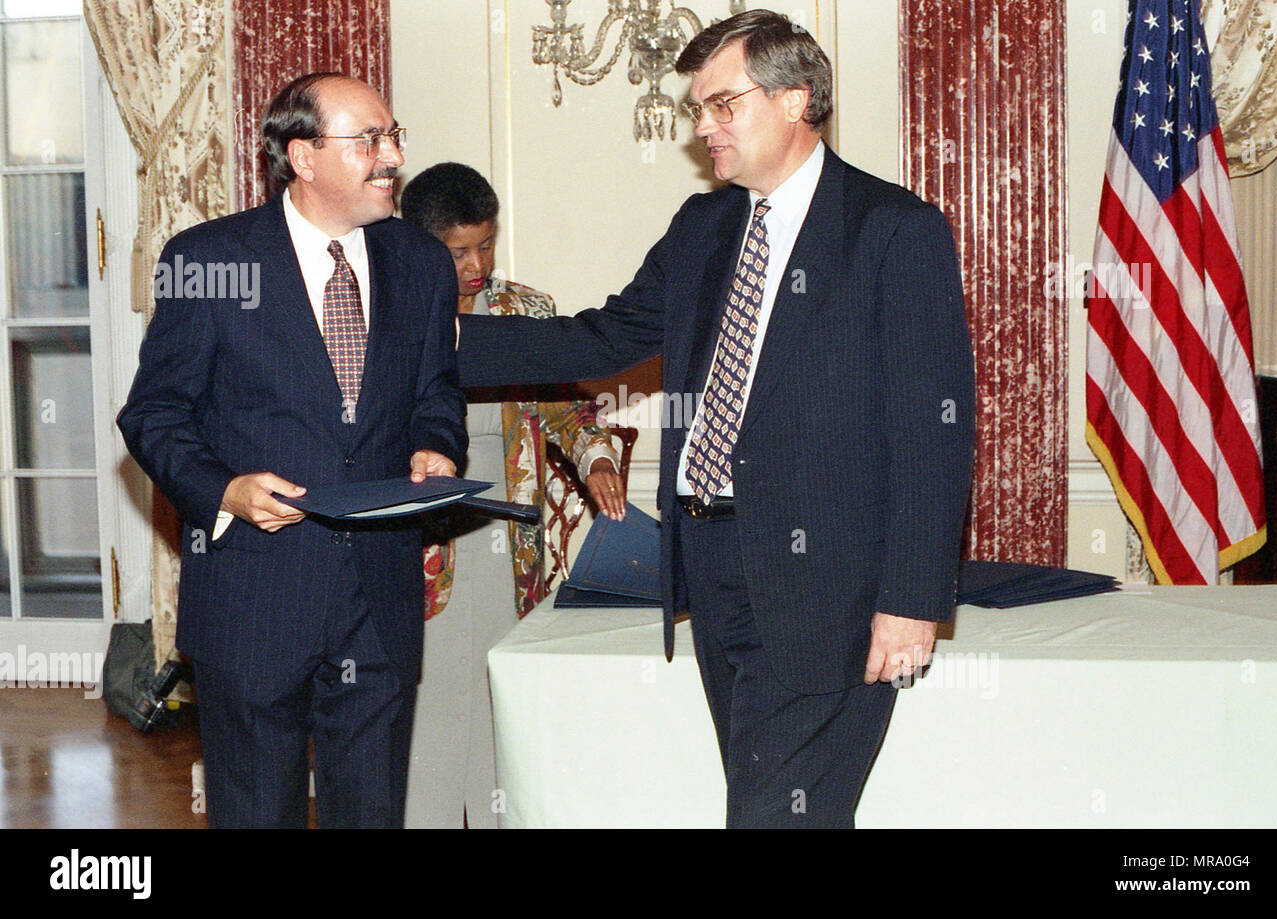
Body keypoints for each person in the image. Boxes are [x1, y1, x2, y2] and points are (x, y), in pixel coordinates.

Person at [456, 10, 976, 827]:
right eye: (698, 108)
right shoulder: (704, 226)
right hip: (714, 572)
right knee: (771, 806)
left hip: (829, 587)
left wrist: (912, 600)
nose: (703, 128)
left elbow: (933, 432)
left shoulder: (891, 230)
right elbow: (602, 335)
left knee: (771, 815)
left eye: (722, 104)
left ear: (795, 98)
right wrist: (436, 340)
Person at [117, 72, 467, 828]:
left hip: (379, 600)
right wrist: (224, 490)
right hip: (254, 601)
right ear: (303, 157)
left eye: (393, 135)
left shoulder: (421, 262)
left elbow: (436, 392)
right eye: (369, 139)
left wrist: (436, 447)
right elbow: (153, 415)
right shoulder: (209, 259)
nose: (392, 156)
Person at [398, 162, 625, 828]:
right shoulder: (391, 316)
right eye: (459, 250)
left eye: (486, 244)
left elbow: (562, 407)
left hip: (507, 536)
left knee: (496, 698)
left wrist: (598, 455)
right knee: (431, 702)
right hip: (425, 542)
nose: (477, 264)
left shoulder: (523, 310)